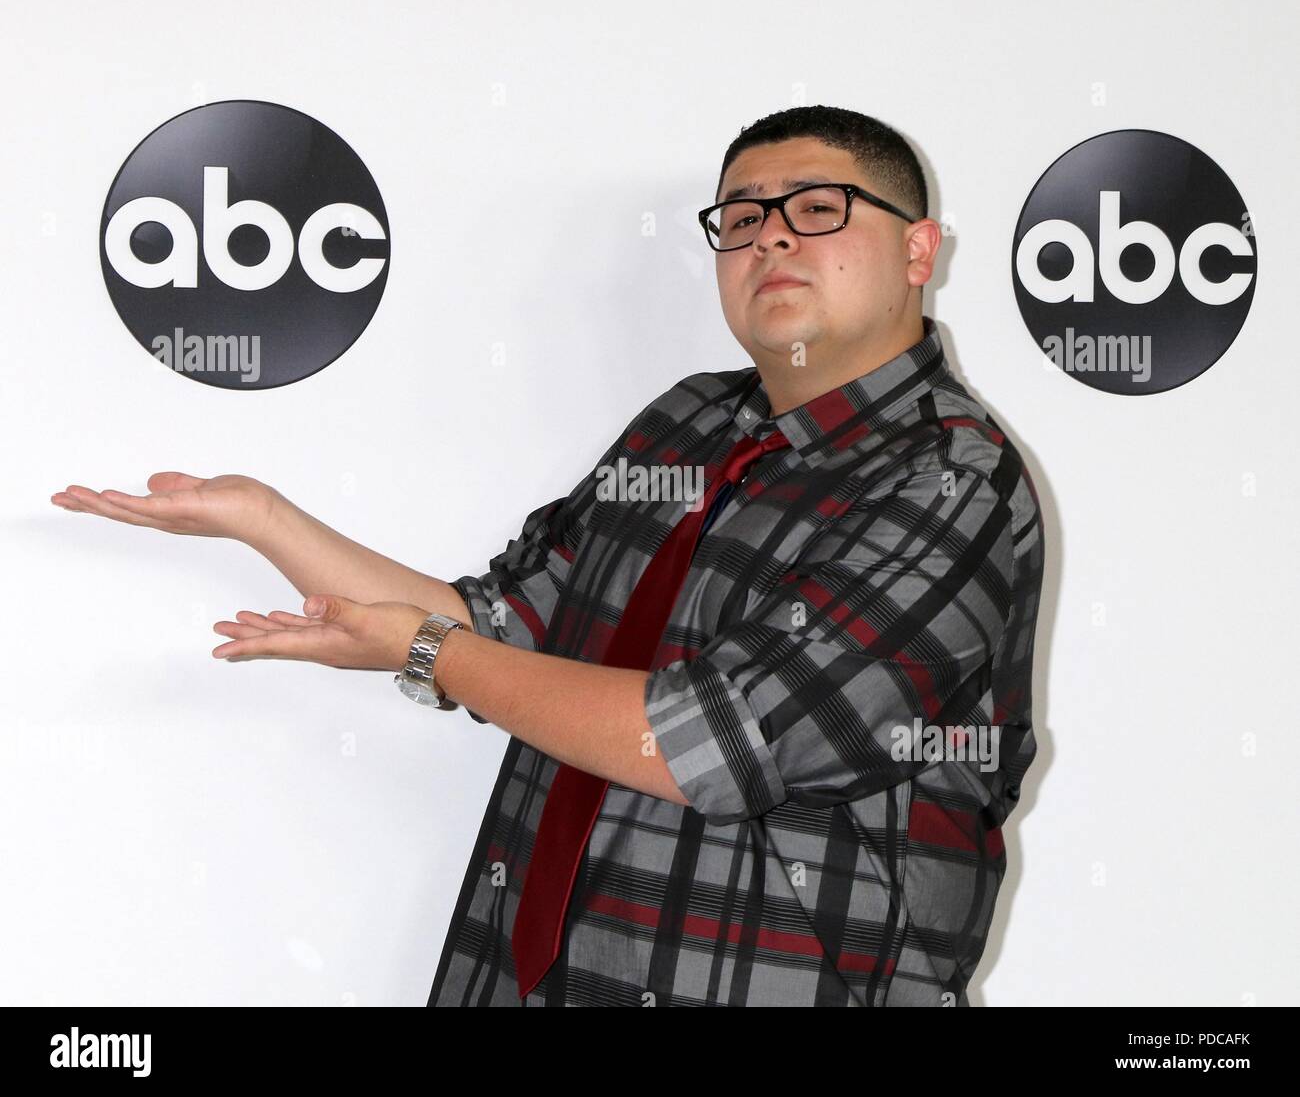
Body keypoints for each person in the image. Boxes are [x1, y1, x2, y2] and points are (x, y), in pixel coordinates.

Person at [52, 105, 1044, 1006]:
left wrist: (432, 649)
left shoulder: (954, 473)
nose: (770, 234)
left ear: (918, 250)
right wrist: (264, 519)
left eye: (816, 208)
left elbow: (724, 737)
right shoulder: (689, 420)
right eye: (739, 218)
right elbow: (508, 618)